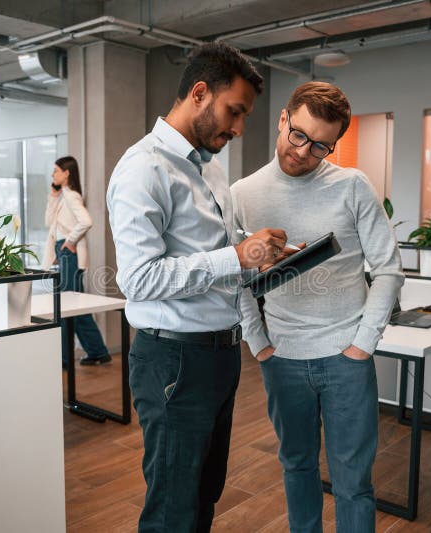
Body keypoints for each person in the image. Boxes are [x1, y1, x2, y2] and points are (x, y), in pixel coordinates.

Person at [107, 43, 291, 532]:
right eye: (235, 112)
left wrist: (258, 260)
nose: (238, 128)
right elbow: (139, 280)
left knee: (205, 494)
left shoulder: (209, 167)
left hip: (219, 356)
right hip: (173, 362)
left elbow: (217, 260)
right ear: (200, 92)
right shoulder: (142, 168)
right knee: (173, 506)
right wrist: (235, 255)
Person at [231, 82, 404, 533]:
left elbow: (388, 268)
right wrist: (259, 344)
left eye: (322, 146)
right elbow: (239, 281)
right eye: (300, 135)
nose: (305, 152)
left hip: (346, 357)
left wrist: (362, 345)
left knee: (353, 483)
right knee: (297, 469)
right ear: (283, 119)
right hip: (283, 359)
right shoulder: (243, 195)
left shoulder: (351, 185)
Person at [42, 156, 111, 366]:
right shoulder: (63, 196)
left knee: (66, 308)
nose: (53, 174)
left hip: (69, 255)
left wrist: (70, 241)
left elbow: (86, 221)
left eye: (56, 170)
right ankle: (98, 351)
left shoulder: (71, 196)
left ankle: (64, 359)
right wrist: (53, 196)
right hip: (64, 254)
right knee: (74, 308)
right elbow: (48, 222)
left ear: (66, 173)